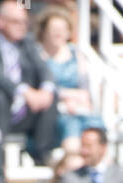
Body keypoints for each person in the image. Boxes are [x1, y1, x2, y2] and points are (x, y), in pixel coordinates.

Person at [0, 0, 57, 160]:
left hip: (24, 110)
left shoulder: (27, 42)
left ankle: (40, 155)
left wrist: (46, 89)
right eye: (16, 22)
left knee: (50, 96)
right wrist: (24, 91)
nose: (22, 26)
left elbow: (43, 68)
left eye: (25, 22)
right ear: (0, 22)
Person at [34, 5, 96, 147]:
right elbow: (37, 88)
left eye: (62, 30)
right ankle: (73, 162)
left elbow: (85, 91)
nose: (58, 34)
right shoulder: (36, 55)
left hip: (77, 107)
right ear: (44, 31)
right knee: (71, 124)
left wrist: (78, 102)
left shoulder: (77, 55)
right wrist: (66, 97)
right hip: (49, 112)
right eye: (54, 30)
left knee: (94, 125)